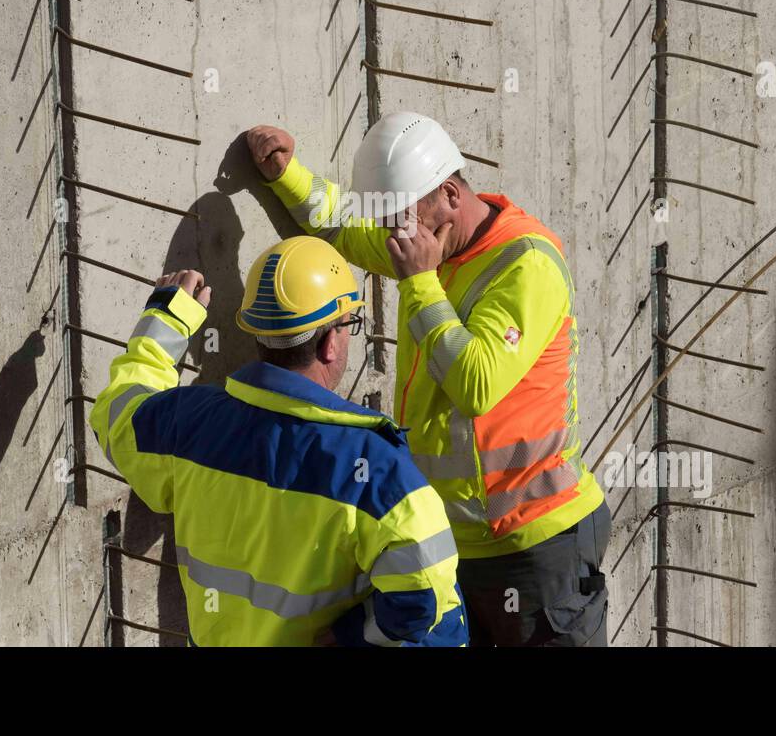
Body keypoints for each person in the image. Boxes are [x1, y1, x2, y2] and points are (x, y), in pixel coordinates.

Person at [247, 112, 611, 646]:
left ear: (450, 195)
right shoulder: (427, 238)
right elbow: (342, 225)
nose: (394, 234)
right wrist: (287, 174)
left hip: (537, 543)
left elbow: (475, 385)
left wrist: (419, 281)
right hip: (457, 542)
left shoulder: (525, 264)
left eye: (401, 217)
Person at [88, 235, 467, 646]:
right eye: (349, 325)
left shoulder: (190, 423)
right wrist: (351, 635)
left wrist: (167, 319)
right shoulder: (374, 468)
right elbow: (425, 592)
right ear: (330, 343)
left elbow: (115, 418)